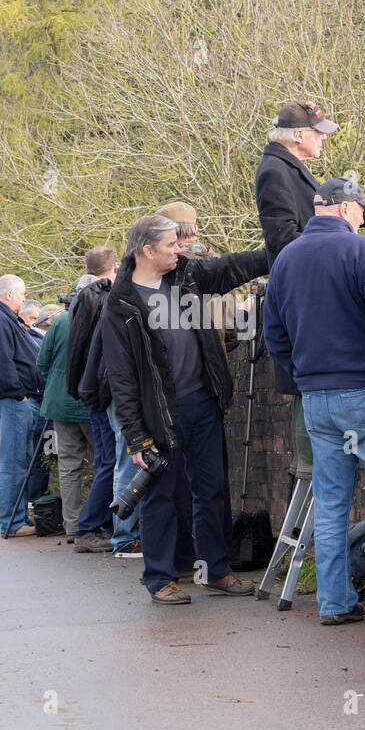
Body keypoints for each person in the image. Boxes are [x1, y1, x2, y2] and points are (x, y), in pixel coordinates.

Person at [262, 177, 365, 626]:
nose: (364, 216)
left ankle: (334, 602)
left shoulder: (286, 260)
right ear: (347, 210)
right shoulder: (363, 251)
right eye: (361, 210)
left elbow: (276, 336)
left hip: (317, 401)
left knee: (330, 503)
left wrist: (305, 378)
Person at [99, 215, 268, 604]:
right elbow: (121, 379)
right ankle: (160, 579)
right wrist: (137, 438)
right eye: (171, 245)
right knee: (162, 495)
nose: (180, 250)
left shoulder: (186, 276)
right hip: (159, 412)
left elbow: (230, 268)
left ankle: (216, 571)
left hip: (202, 399)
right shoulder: (120, 305)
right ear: (147, 250)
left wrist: (278, 247)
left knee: (212, 489)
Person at [254, 100, 365, 516]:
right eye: (318, 131)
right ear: (299, 135)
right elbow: (284, 239)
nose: (324, 138)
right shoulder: (273, 173)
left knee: (328, 481)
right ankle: (305, 552)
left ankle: (318, 563)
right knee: (315, 468)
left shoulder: (289, 168)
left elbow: (340, 206)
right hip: (318, 347)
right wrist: (346, 253)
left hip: (315, 359)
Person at [0, 274, 44, 537]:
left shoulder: (2, 318)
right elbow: (2, 361)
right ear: (8, 295)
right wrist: (19, 394)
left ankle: (17, 518)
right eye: (21, 294)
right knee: (13, 462)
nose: (22, 299)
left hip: (16, 399)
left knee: (19, 460)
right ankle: (13, 522)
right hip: (13, 400)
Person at [68, 248, 121, 553]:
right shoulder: (101, 296)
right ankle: (89, 527)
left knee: (105, 459)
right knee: (110, 461)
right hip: (101, 389)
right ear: (114, 266)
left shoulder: (82, 296)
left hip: (90, 389)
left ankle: (93, 525)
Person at [36, 294, 93, 539]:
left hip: (60, 402)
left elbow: (42, 362)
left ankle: (73, 525)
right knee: (107, 462)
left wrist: (56, 382)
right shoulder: (98, 317)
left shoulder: (59, 322)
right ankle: (104, 521)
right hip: (90, 401)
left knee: (69, 466)